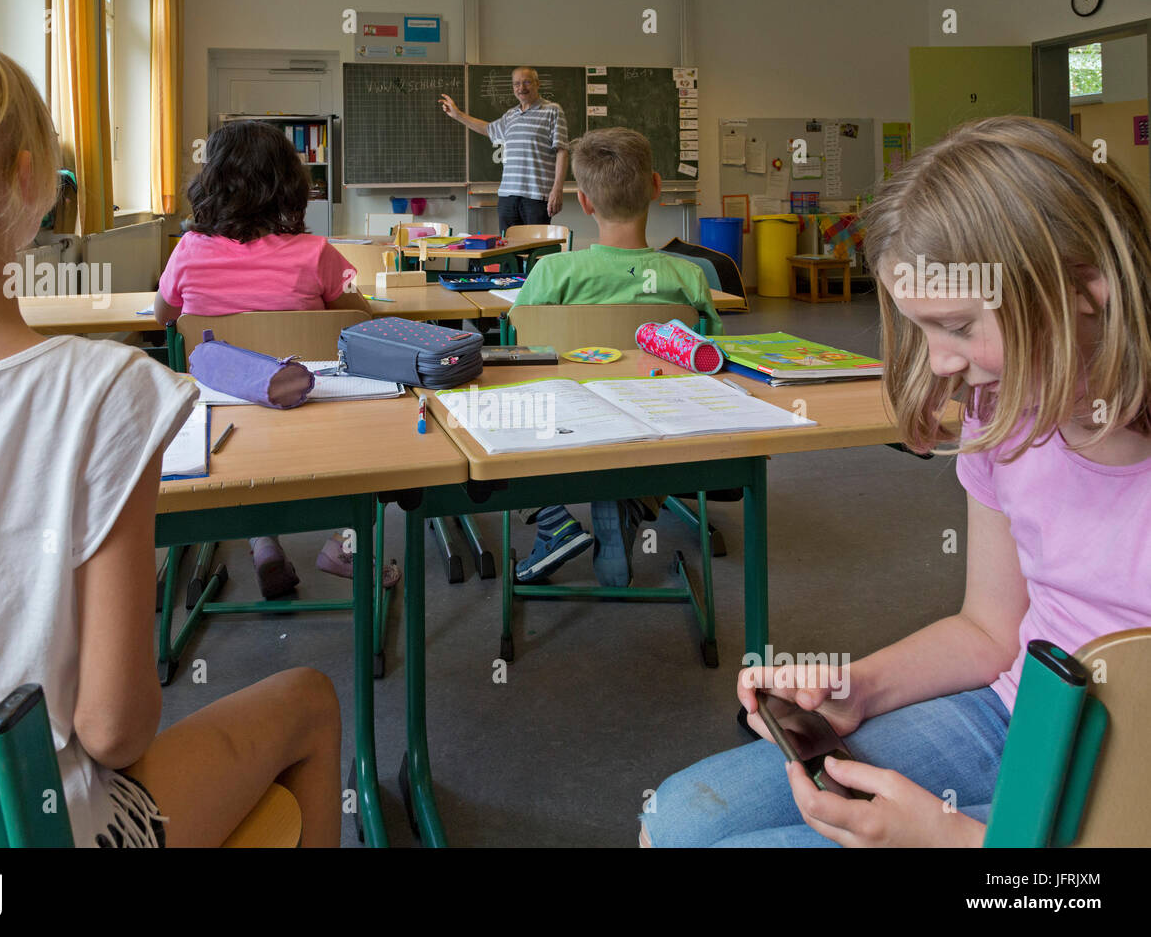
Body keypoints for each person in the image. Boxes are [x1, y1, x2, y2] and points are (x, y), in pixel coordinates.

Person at [0, 30, 341, 847]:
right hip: (29, 827)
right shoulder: (105, 393)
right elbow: (114, 730)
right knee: (312, 700)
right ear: (31, 179)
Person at [642, 115, 1151, 847]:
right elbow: (988, 629)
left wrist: (955, 842)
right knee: (674, 820)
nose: (941, 362)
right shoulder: (1001, 408)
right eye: (923, 330)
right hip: (1022, 717)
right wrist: (859, 689)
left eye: (957, 325)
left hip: (1131, 786)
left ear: (1084, 291)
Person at [157, 119, 381, 598]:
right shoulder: (316, 252)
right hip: (311, 413)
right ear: (288, 185)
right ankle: (342, 544)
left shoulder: (189, 250)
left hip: (220, 418)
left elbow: (163, 315)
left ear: (211, 182)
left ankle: (263, 542)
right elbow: (359, 318)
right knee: (382, 430)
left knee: (250, 435)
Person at [509, 127, 721, 586]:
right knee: (676, 401)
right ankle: (635, 498)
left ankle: (552, 520)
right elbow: (711, 359)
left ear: (583, 202)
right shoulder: (689, 277)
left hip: (565, 422)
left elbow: (517, 349)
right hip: (661, 424)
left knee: (501, 405)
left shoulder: (552, 272)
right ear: (657, 187)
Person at [439, 67, 568, 231]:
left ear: (537, 84)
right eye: (517, 84)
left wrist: (557, 190)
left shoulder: (552, 111)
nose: (521, 88)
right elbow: (488, 129)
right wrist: (458, 115)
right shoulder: (510, 115)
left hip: (536, 196)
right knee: (509, 252)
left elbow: (562, 151)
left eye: (527, 82)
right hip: (507, 196)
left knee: (536, 252)